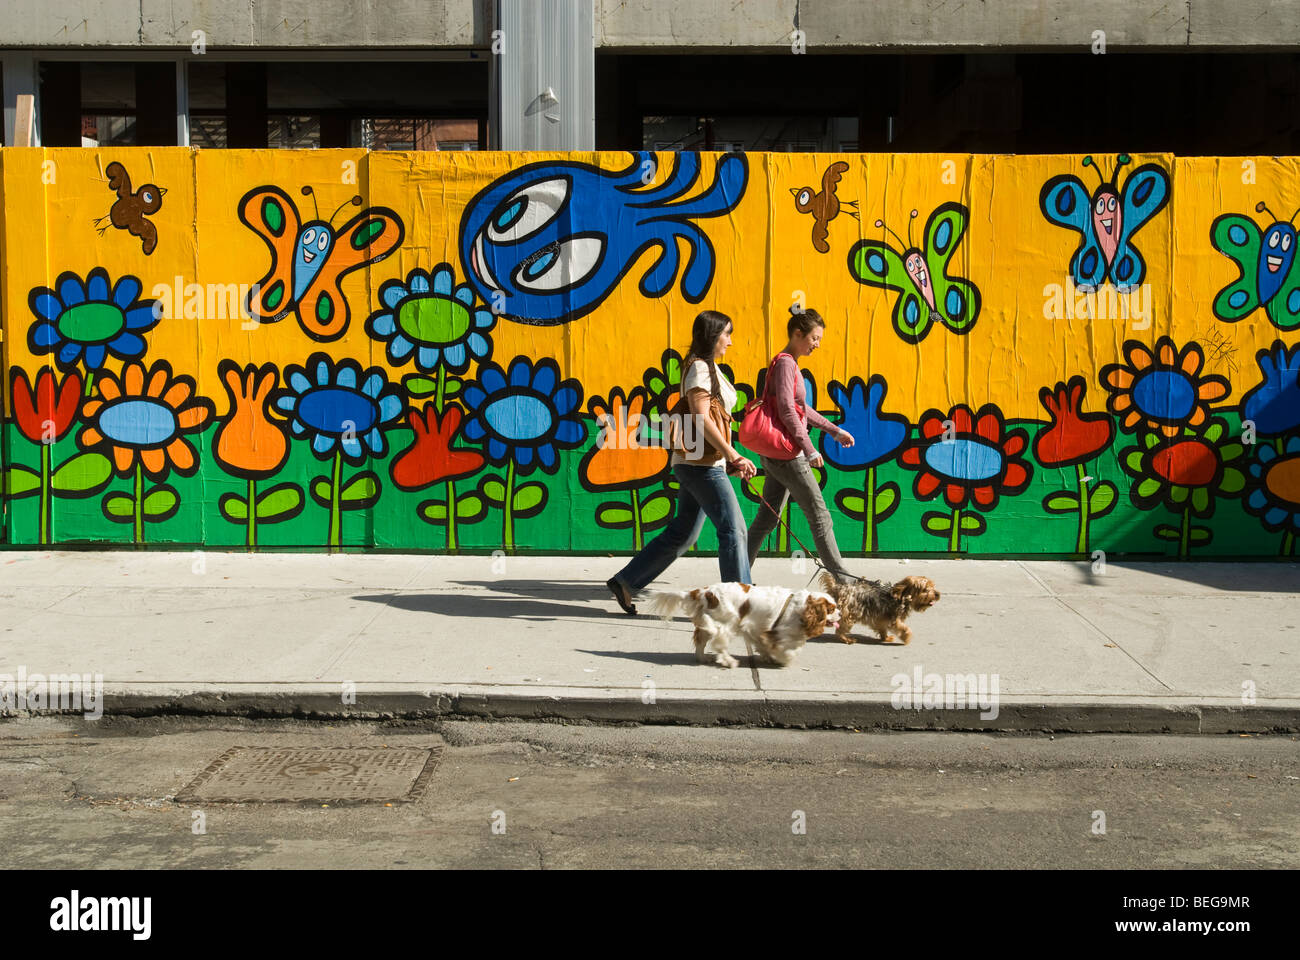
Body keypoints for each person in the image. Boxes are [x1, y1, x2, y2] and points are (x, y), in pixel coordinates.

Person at [607, 310, 757, 615]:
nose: (730, 341)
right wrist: (732, 454)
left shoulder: (710, 368)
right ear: (713, 336)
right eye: (727, 334)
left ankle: (627, 580)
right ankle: (740, 602)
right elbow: (701, 418)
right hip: (700, 465)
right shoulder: (700, 369)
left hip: (699, 463)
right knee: (733, 529)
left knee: (683, 533)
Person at [746, 307, 857, 582]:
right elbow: (786, 410)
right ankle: (845, 586)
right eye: (814, 338)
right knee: (821, 517)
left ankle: (737, 574)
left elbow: (800, 408)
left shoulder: (789, 363)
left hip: (775, 454)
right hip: (787, 455)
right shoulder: (786, 363)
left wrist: (834, 430)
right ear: (798, 334)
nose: (817, 345)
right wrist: (809, 449)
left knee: (766, 519)